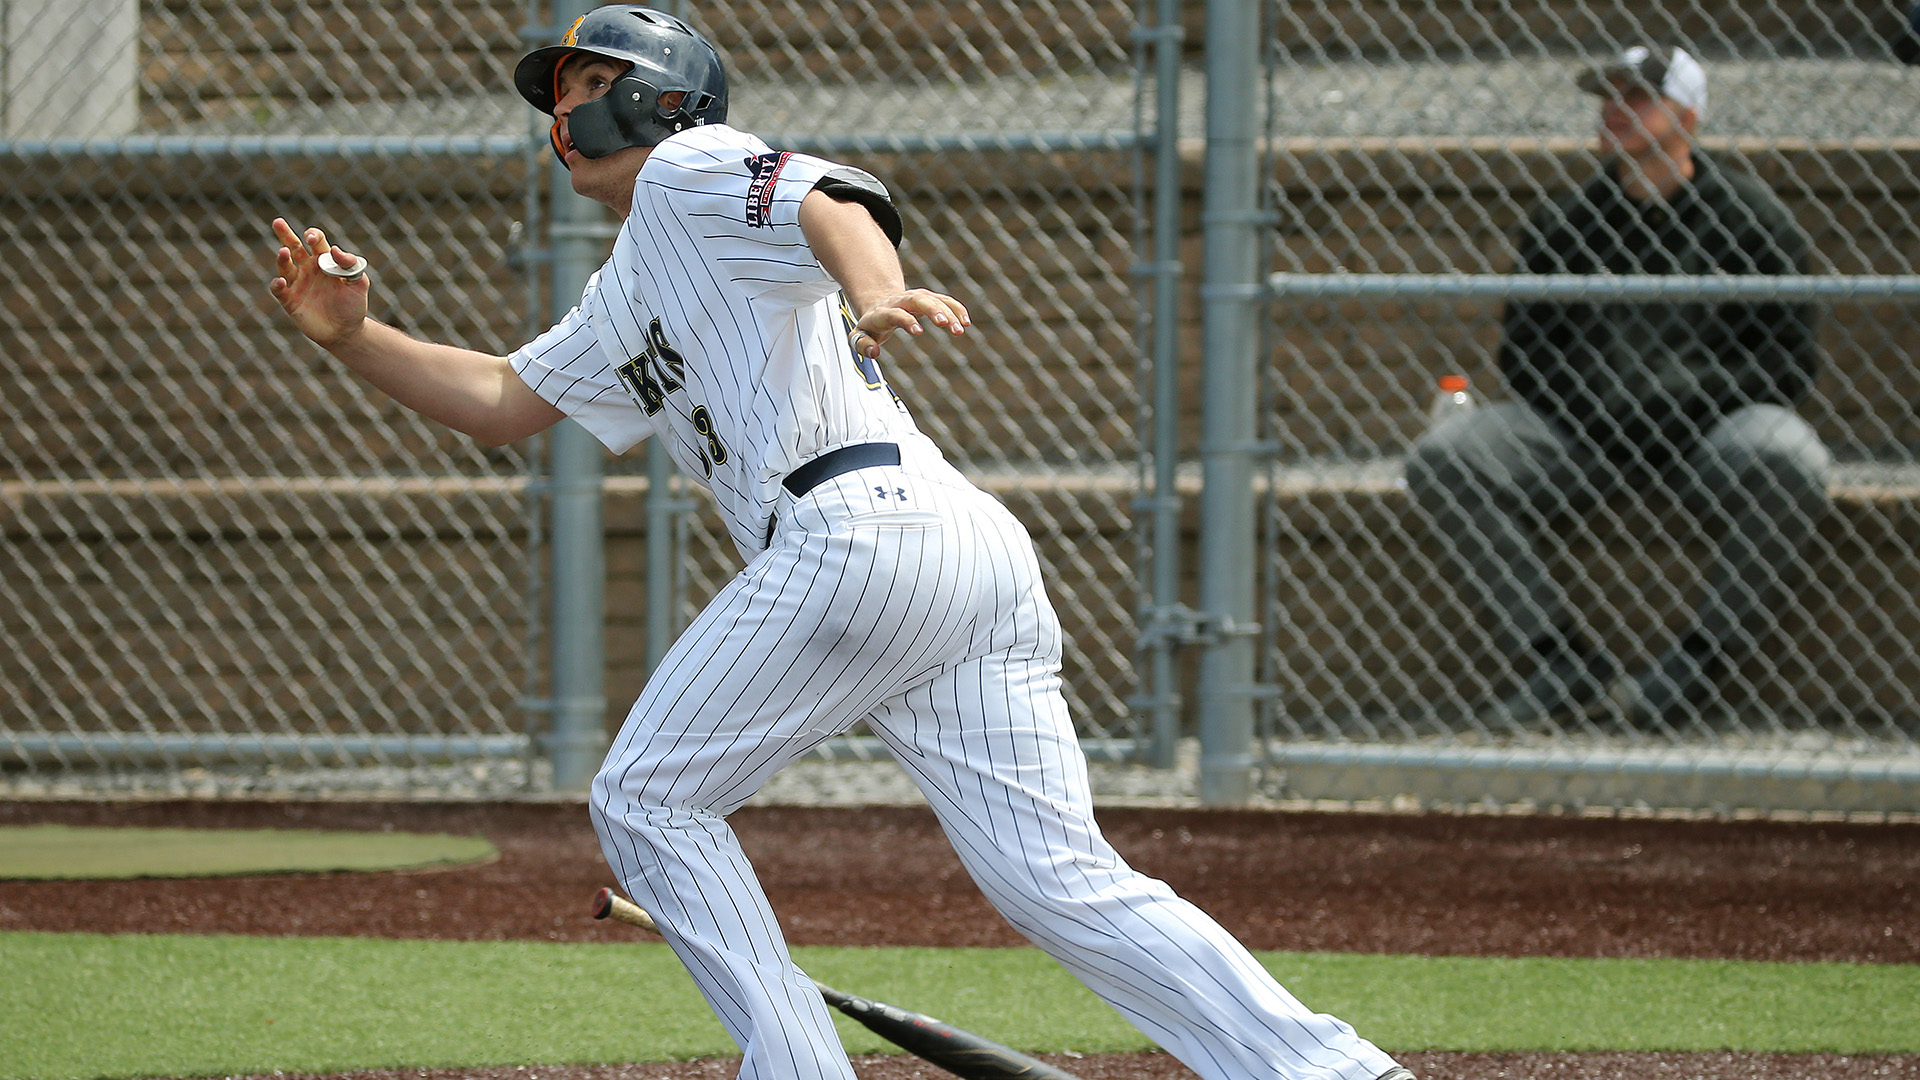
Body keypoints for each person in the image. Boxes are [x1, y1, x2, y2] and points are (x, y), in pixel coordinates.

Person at [268, 8, 1412, 1080]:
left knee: (645, 802)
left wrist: (880, 292)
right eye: (559, 92)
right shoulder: (629, 281)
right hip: (958, 551)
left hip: (855, 538)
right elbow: (506, 400)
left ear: (660, 101)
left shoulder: (684, 168)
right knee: (1062, 883)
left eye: (588, 83)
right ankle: (1326, 1070)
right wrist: (356, 337)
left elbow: (831, 200)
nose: (563, 112)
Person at [1405, 44, 1829, 732]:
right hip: (1586, 434)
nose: (1614, 111)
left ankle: (1696, 660)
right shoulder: (1566, 221)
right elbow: (1526, 356)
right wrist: (1599, 406)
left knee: (1792, 458)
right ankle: (1562, 659)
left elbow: (1788, 362)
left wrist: (1685, 398)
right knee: (1444, 456)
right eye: (1609, 98)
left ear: (1688, 116)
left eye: (1637, 98)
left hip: (1705, 436)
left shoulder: (1753, 218)